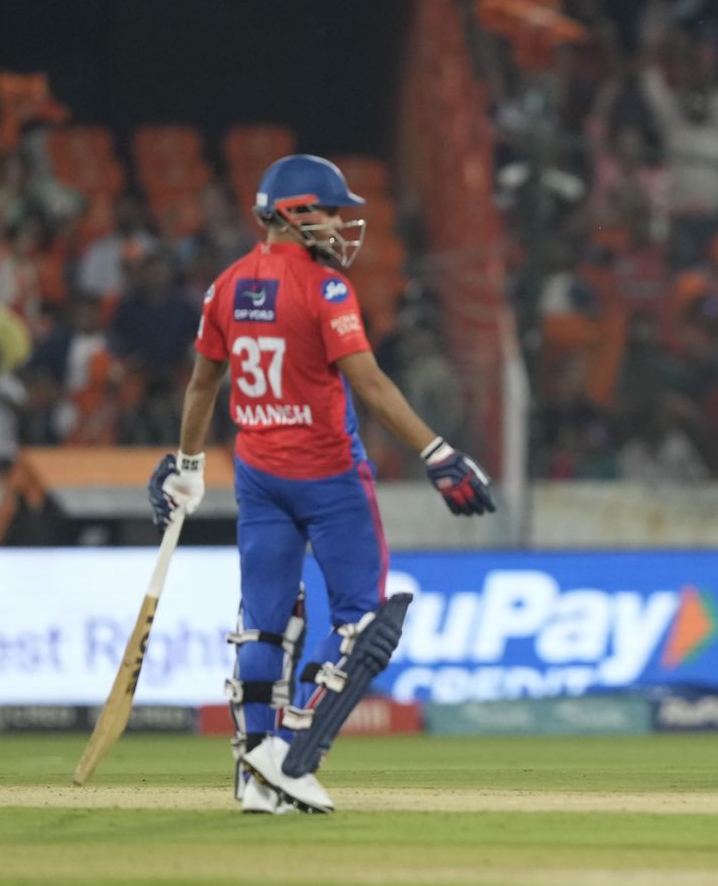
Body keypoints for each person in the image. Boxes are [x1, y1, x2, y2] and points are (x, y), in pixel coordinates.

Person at [147, 154, 495, 814]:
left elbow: (201, 384)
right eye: (331, 210)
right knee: (363, 620)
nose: (340, 224)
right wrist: (438, 452)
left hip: (257, 476)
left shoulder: (223, 286)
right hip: (330, 476)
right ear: (294, 211)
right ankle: (290, 753)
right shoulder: (325, 288)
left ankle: (254, 775)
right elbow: (368, 381)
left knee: (265, 627)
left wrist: (188, 467)